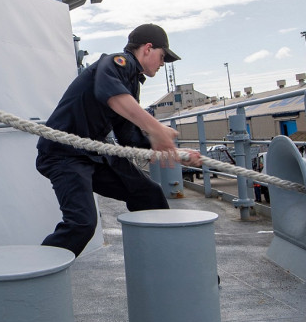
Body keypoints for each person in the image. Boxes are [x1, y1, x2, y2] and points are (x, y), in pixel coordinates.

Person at [35, 23, 202, 257]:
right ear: (147, 49)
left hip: (95, 154)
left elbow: (129, 135)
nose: (163, 63)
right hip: (64, 154)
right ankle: (34, 276)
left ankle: (169, 261)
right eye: (162, 57)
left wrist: (177, 152)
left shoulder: (131, 83)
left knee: (148, 194)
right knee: (81, 223)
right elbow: (110, 93)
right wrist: (156, 128)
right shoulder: (117, 63)